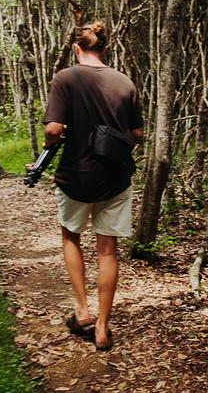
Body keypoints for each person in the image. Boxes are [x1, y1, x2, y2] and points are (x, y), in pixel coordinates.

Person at [40, 20, 144, 352]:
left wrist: (63, 135)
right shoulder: (125, 82)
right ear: (104, 48)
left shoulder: (65, 78)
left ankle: (83, 309)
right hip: (114, 177)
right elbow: (137, 134)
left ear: (76, 48)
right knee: (107, 250)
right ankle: (102, 328)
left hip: (75, 176)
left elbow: (53, 129)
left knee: (71, 235)